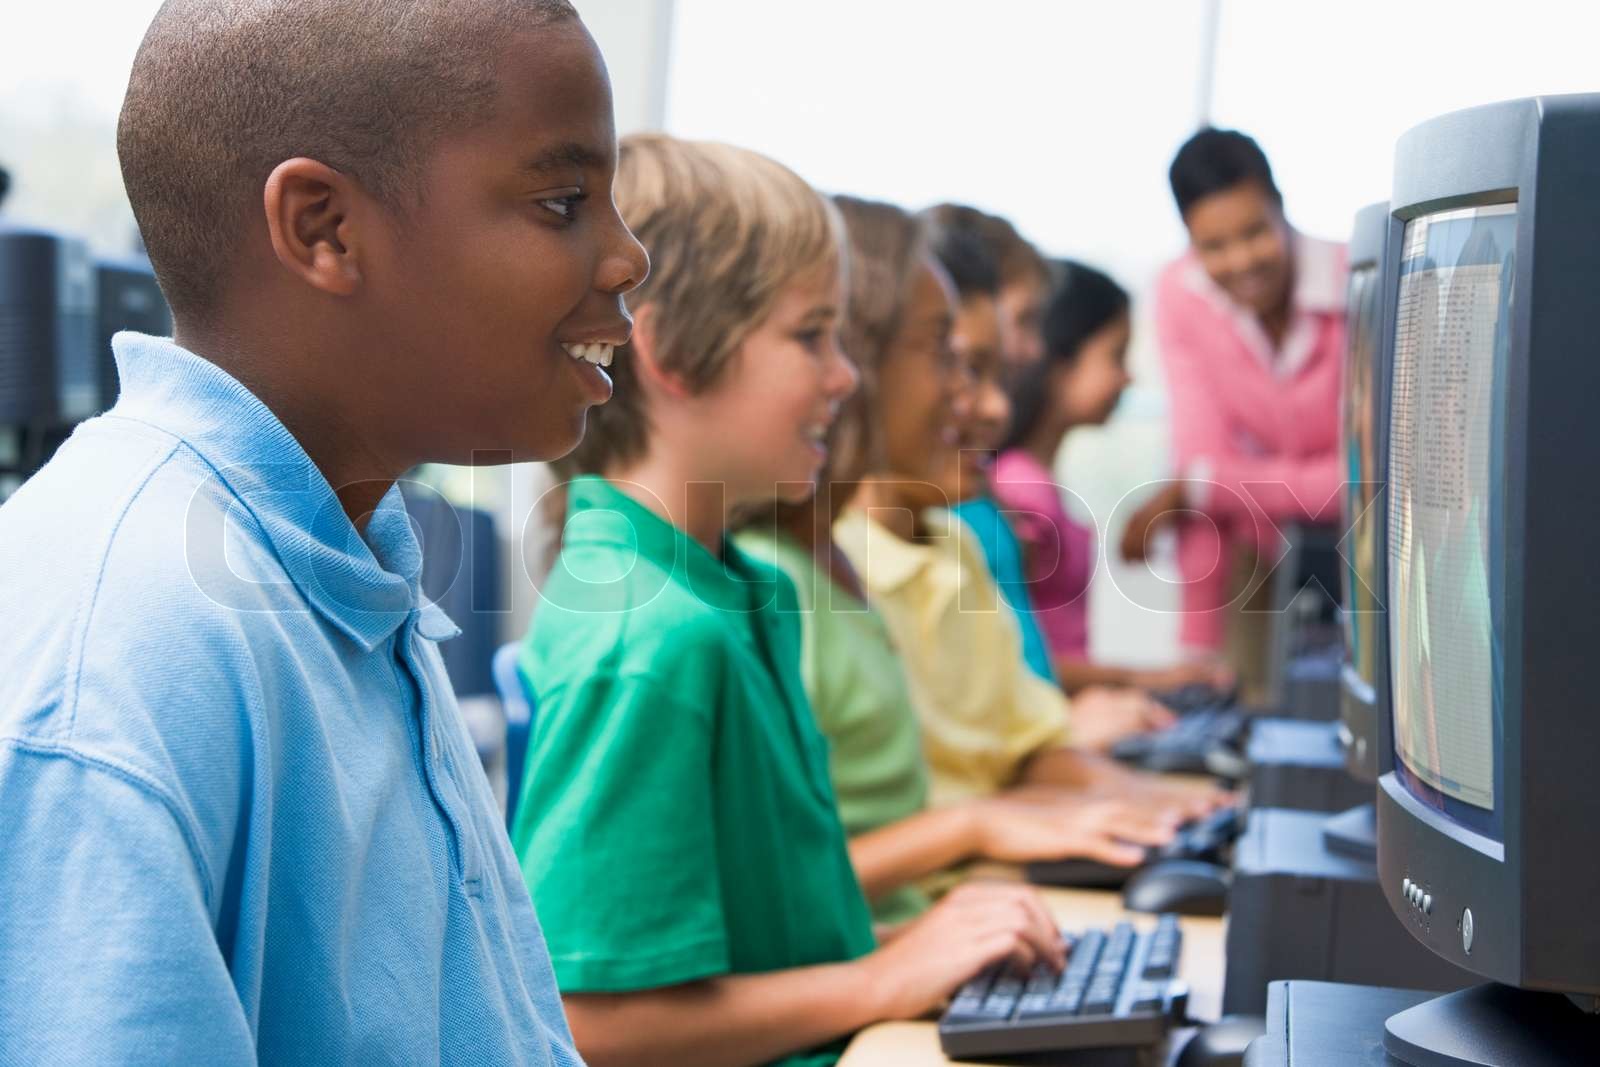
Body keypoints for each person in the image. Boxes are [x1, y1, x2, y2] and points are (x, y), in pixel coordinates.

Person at [0, 2, 647, 1063]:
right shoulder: (128, 657)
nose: (627, 257)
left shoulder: (339, 559)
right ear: (323, 228)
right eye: (562, 200)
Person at [512, 134, 1066, 1067]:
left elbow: (760, 947)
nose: (845, 377)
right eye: (812, 337)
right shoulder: (652, 636)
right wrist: (882, 980)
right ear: (678, 352)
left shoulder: (732, 587)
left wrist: (911, 950)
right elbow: (590, 1021)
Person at [828, 195, 1227, 809]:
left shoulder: (952, 544)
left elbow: (1015, 746)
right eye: (955, 362)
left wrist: (1175, 805)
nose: (995, 401)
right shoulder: (827, 572)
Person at [1122, 128, 1345, 664]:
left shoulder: (1353, 278)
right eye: (1213, 246)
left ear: (1282, 208)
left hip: (1365, 544)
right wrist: (1196, 654)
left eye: (1254, 232)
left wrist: (1207, 485)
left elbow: (1358, 483)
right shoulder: (1180, 294)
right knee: (1235, 700)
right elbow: (1200, 469)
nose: (1241, 261)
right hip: (1259, 546)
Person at [995, 261, 1235, 694]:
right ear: (1059, 361)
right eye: (1115, 356)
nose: (1128, 376)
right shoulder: (1019, 490)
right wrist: (1147, 680)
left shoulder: (1033, 479)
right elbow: (1014, 660)